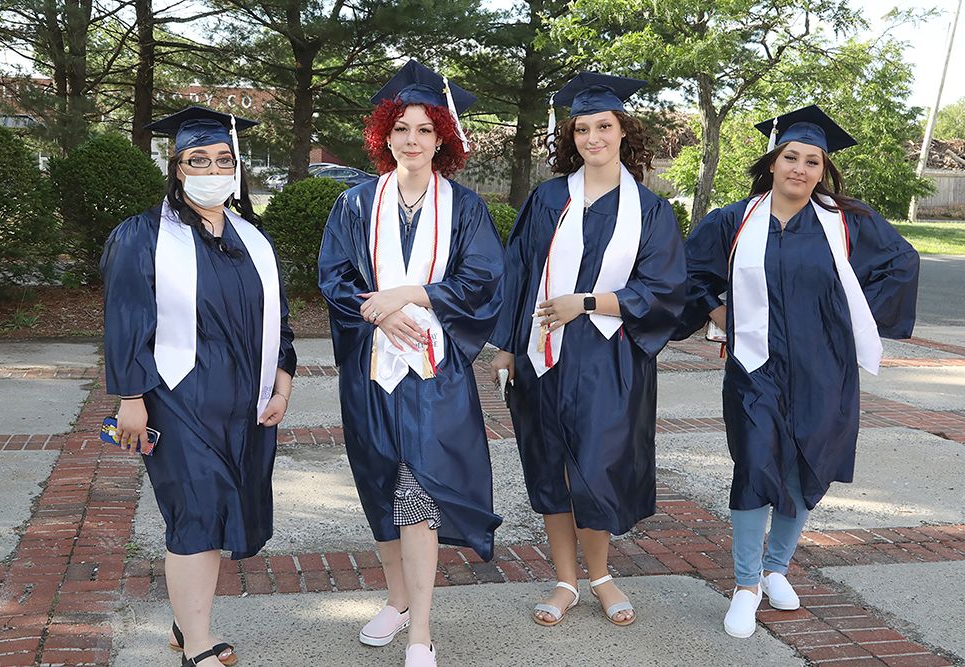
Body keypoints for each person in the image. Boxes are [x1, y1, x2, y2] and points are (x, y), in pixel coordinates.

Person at [674, 105, 919, 639]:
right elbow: (688, 273)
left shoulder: (848, 222)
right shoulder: (733, 220)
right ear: (773, 160)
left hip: (823, 368)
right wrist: (716, 311)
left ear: (823, 169)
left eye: (813, 161)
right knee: (756, 466)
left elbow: (901, 263)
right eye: (791, 157)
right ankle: (744, 585)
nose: (801, 170)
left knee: (805, 468)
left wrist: (852, 318)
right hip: (754, 367)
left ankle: (776, 568)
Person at [318, 60, 504, 667]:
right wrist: (377, 313)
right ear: (383, 136)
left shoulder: (467, 208)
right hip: (371, 371)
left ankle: (421, 627)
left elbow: (481, 280)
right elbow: (335, 277)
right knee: (379, 482)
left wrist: (408, 297)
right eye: (402, 128)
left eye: (425, 130)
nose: (413, 140)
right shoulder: (354, 204)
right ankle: (396, 600)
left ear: (443, 139)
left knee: (418, 488)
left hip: (435, 375)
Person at [100, 107, 297, 667]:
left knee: (220, 511)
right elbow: (125, 320)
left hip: (246, 405)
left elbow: (278, 322)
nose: (212, 168)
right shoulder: (142, 236)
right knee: (197, 512)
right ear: (176, 165)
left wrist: (281, 385)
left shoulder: (253, 239)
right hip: (178, 400)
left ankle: (186, 627)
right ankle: (199, 646)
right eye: (198, 159)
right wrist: (131, 398)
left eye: (223, 160)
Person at [489, 72, 687, 628]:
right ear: (570, 135)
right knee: (550, 465)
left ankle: (599, 575)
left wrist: (590, 302)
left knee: (596, 469)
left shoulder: (649, 209)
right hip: (543, 351)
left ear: (624, 131)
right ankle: (564, 581)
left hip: (610, 358)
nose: (593, 137)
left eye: (604, 126)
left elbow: (665, 288)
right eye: (582, 128)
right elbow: (518, 273)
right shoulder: (549, 198)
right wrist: (505, 347)